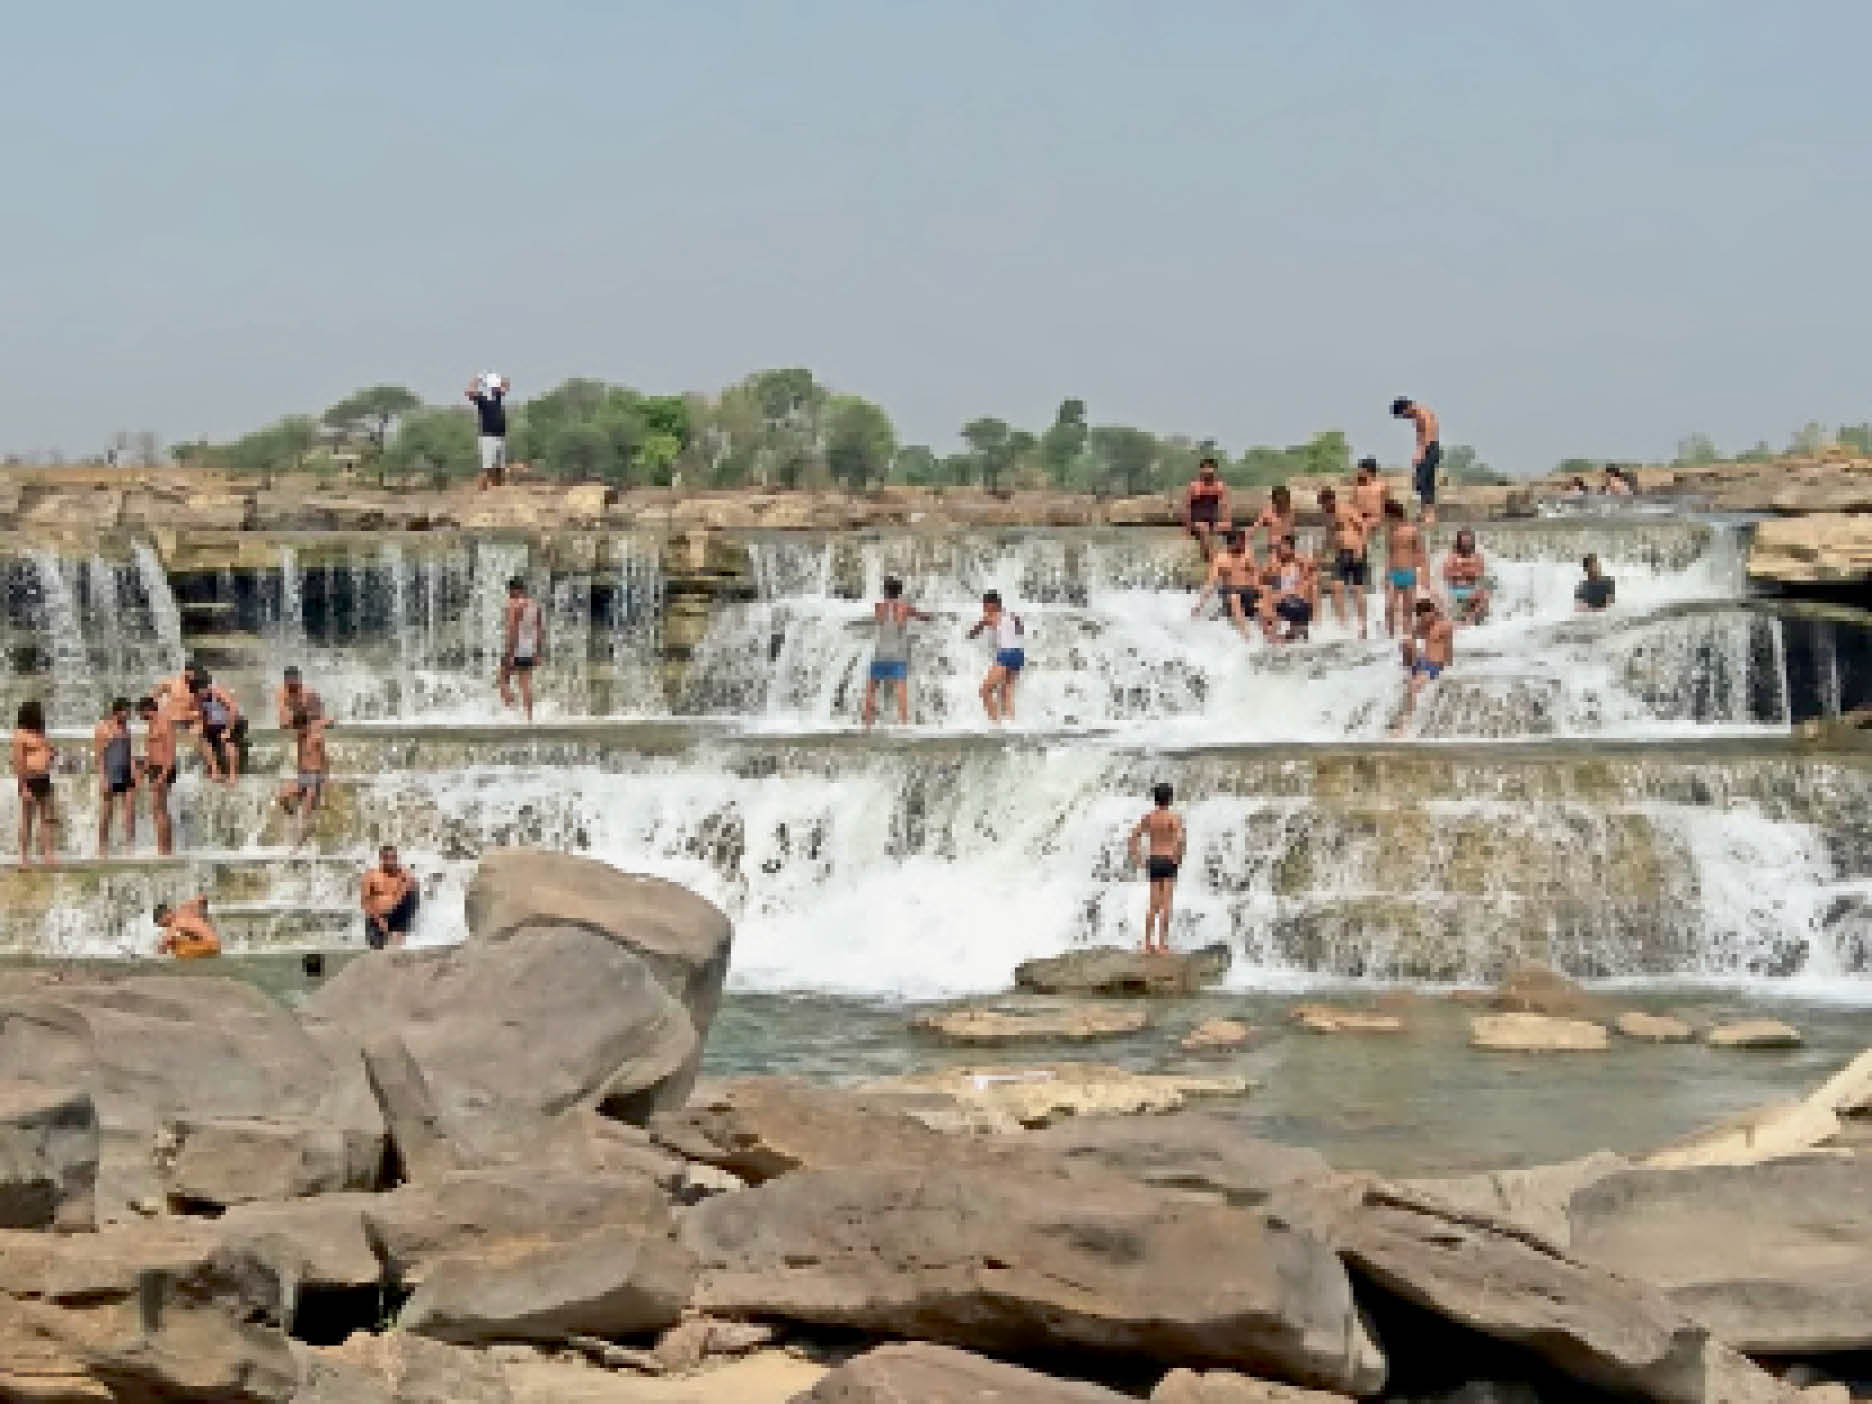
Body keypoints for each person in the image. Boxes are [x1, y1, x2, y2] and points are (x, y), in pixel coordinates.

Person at [862, 576, 934, 727]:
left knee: (870, 692)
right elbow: (925, 617)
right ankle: (903, 724)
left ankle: (868, 723)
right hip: (897, 657)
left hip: (880, 655)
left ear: (885, 591)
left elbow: (880, 619)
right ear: (899, 593)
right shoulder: (905, 608)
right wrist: (930, 616)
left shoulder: (878, 607)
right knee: (901, 692)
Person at [1126, 782, 1186, 956]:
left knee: (1153, 905)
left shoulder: (1149, 817)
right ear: (1170, 798)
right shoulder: (1172, 818)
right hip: (1168, 860)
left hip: (1153, 860)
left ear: (1155, 799)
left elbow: (1133, 836)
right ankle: (1161, 945)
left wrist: (1137, 858)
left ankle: (1146, 944)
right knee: (1166, 905)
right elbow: (1180, 839)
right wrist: (1178, 857)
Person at [1394, 597, 1455, 733]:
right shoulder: (1420, 627)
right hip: (1421, 662)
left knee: (1413, 686)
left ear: (1433, 612)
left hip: (1434, 664)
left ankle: (1405, 725)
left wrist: (1448, 667)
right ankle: (1407, 670)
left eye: (1429, 613)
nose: (1427, 617)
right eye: (1423, 615)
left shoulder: (1444, 626)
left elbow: (1449, 648)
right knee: (1406, 643)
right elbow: (1412, 640)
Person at [1317, 486, 1371, 639]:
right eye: (1322, 506)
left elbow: (1363, 526)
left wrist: (1361, 547)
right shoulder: (1328, 516)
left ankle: (1363, 624)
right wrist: (1320, 556)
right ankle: (1343, 625)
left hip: (1355, 551)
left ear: (1331, 500)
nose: (1324, 508)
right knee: (1336, 587)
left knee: (1357, 588)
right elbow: (1329, 537)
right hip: (1341, 555)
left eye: (1324, 504)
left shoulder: (1346, 509)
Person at [1191, 530, 1263, 641]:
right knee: (1235, 598)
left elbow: (1256, 573)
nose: (1243, 546)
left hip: (1248, 591)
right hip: (1230, 591)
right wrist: (1199, 605)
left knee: (1263, 602)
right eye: (1240, 543)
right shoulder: (1220, 559)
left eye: (1243, 543)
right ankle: (1246, 635)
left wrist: (1260, 590)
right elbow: (1211, 583)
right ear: (1230, 544)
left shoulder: (1247, 554)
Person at [966, 590, 1025, 722]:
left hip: (1006, 655)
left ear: (993, 604)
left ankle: (995, 723)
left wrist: (973, 632)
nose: (984, 608)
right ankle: (1011, 723)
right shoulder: (1011, 615)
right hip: (1018, 655)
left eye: (985, 605)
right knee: (1006, 692)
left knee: (985, 691)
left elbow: (973, 633)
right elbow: (1020, 629)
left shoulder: (990, 617)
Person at [278, 710, 331, 848]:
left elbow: (324, 758)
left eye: (300, 728)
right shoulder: (300, 736)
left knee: (307, 812)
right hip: (302, 776)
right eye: (296, 729)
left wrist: (325, 778)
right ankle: (292, 815)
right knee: (282, 796)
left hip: (314, 776)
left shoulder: (316, 737)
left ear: (306, 726)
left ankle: (300, 843)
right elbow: (285, 723)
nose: (298, 731)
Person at [12, 700, 56, 867]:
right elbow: (18, 761)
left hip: (44, 777)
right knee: (26, 819)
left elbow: (47, 749)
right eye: (38, 712)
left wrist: (50, 753)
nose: (41, 715)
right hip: (29, 779)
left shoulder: (40, 732)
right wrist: (22, 786)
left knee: (46, 818)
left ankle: (48, 854)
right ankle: (23, 857)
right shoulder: (20, 734)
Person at [93, 697, 137, 855]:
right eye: (126, 711)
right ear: (117, 711)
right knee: (107, 811)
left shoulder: (126, 729)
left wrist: (133, 772)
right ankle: (102, 845)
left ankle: (129, 845)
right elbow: (99, 755)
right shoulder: (103, 728)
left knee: (130, 810)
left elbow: (129, 752)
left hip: (126, 772)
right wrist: (103, 778)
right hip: (111, 772)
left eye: (129, 711)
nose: (128, 714)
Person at [499, 577, 546, 722]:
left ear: (514, 590)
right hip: (529, 648)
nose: (509, 594)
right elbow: (539, 630)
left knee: (502, 679)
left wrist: (510, 653)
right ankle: (529, 717)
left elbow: (512, 629)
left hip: (517, 647)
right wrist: (537, 652)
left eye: (510, 591)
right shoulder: (534, 606)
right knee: (525, 682)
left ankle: (510, 710)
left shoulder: (514, 605)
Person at [136, 695, 177, 856]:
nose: (140, 717)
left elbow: (170, 752)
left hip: (163, 769)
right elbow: (151, 752)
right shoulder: (151, 725)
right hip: (154, 768)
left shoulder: (164, 723)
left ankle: (164, 850)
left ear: (148, 709)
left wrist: (162, 775)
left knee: (160, 810)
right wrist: (143, 770)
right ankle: (164, 848)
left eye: (140, 712)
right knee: (158, 810)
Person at [1390, 398, 1442, 524]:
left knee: (1424, 481)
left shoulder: (1423, 414)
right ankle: (1426, 512)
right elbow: (1420, 436)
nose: (1405, 417)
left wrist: (1422, 452)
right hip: (1426, 448)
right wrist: (1418, 451)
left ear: (1407, 408)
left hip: (1430, 448)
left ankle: (1429, 514)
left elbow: (1429, 434)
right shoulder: (1417, 417)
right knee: (1422, 482)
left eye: (1403, 415)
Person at [1381, 498, 1427, 637]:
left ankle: (1407, 636)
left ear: (1394, 516)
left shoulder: (1412, 530)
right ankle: (1390, 636)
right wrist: (1386, 574)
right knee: (1389, 608)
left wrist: (1421, 573)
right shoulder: (1390, 532)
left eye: (1388, 517)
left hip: (1408, 572)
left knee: (1408, 609)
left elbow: (1420, 553)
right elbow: (1390, 553)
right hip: (1394, 573)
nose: (1386, 520)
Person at [361, 844, 419, 950]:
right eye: (387, 858)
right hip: (376, 918)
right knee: (376, 949)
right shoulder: (371, 875)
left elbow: (411, 897)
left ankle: (400, 931)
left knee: (412, 888)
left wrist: (407, 880)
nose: (391, 861)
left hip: (396, 917)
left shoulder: (403, 874)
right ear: (381, 858)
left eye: (394, 858)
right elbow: (365, 902)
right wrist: (380, 920)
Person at [191, 671, 246, 783]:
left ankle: (232, 775)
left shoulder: (218, 692)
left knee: (228, 742)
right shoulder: (197, 696)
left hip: (233, 721)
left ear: (207, 686)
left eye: (202, 691)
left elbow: (233, 710)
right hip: (216, 723)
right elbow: (202, 713)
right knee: (205, 739)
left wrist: (228, 729)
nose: (201, 694)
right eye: (198, 692)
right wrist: (200, 725)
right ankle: (215, 771)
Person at [1265, 535, 1315, 643]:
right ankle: (1276, 637)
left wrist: (1291, 592)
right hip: (1281, 600)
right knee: (1272, 602)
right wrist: (1274, 557)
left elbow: (1307, 579)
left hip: (1296, 600)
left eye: (1284, 547)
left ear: (1291, 548)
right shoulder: (1276, 564)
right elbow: (1268, 577)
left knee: (1301, 604)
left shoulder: (1299, 564)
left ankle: (1298, 634)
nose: (1281, 550)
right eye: (1279, 548)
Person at [1182, 458, 1231, 560]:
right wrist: (1187, 527)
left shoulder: (1220, 486)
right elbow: (1186, 507)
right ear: (1201, 470)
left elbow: (1225, 506)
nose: (1208, 471)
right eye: (1205, 468)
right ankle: (1208, 558)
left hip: (1212, 518)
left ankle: (1224, 559)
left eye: (1211, 468)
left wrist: (1226, 521)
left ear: (1215, 470)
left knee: (1225, 530)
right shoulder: (1194, 486)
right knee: (1203, 528)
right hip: (1197, 519)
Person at [1440, 528, 1492, 625]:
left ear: (1472, 542)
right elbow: (1447, 574)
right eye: (1463, 541)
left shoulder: (1477, 557)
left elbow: (1479, 573)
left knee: (1483, 595)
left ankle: (1474, 623)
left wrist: (1461, 572)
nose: (1466, 544)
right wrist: (1468, 572)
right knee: (1476, 599)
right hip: (1456, 591)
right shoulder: (1452, 557)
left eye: (1468, 541)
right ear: (1459, 542)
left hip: (1472, 590)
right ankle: (1467, 620)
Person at [468, 372, 510, 489]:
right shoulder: (482, 400)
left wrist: (497, 378)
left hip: (500, 437)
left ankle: (496, 490)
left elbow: (506, 386)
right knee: (487, 467)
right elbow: (470, 392)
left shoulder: (497, 398)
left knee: (499, 468)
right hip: (488, 437)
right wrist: (477, 379)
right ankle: (482, 489)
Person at [154, 895, 220, 959]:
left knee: (177, 946)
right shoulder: (185, 908)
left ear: (164, 916)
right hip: (216, 943)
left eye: (162, 924)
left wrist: (159, 950)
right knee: (186, 937)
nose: (164, 926)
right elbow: (201, 897)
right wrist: (203, 915)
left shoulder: (174, 921)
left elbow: (166, 942)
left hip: (209, 946)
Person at [1251, 485, 1296, 552]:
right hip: (1275, 547)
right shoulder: (1269, 513)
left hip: (1288, 545)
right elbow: (1253, 526)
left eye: (1284, 500)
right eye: (1279, 501)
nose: (1282, 503)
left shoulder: (1291, 512)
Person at [1351, 457, 1389, 531]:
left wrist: (1377, 521)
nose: (1359, 471)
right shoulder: (1358, 487)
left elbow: (1386, 506)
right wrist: (1358, 520)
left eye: (1361, 469)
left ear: (1367, 470)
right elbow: (1353, 505)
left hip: (1377, 523)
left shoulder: (1382, 486)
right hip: (1360, 524)